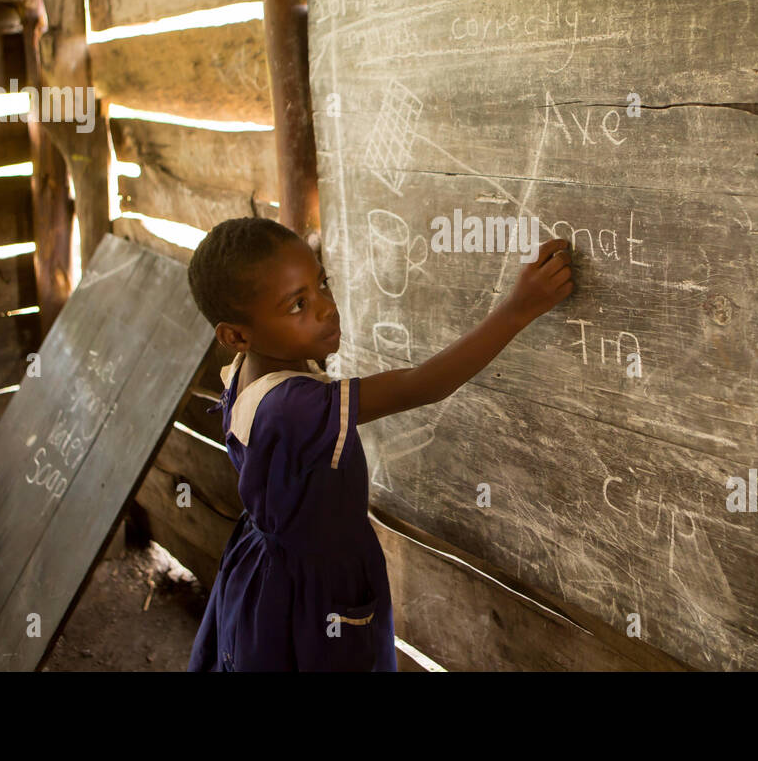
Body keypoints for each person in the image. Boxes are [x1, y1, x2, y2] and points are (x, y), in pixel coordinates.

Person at [184, 216, 573, 671]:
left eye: (322, 283)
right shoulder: (292, 407)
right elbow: (422, 385)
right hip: (314, 593)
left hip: (265, 567)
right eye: (297, 305)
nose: (327, 308)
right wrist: (518, 308)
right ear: (236, 335)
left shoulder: (245, 371)